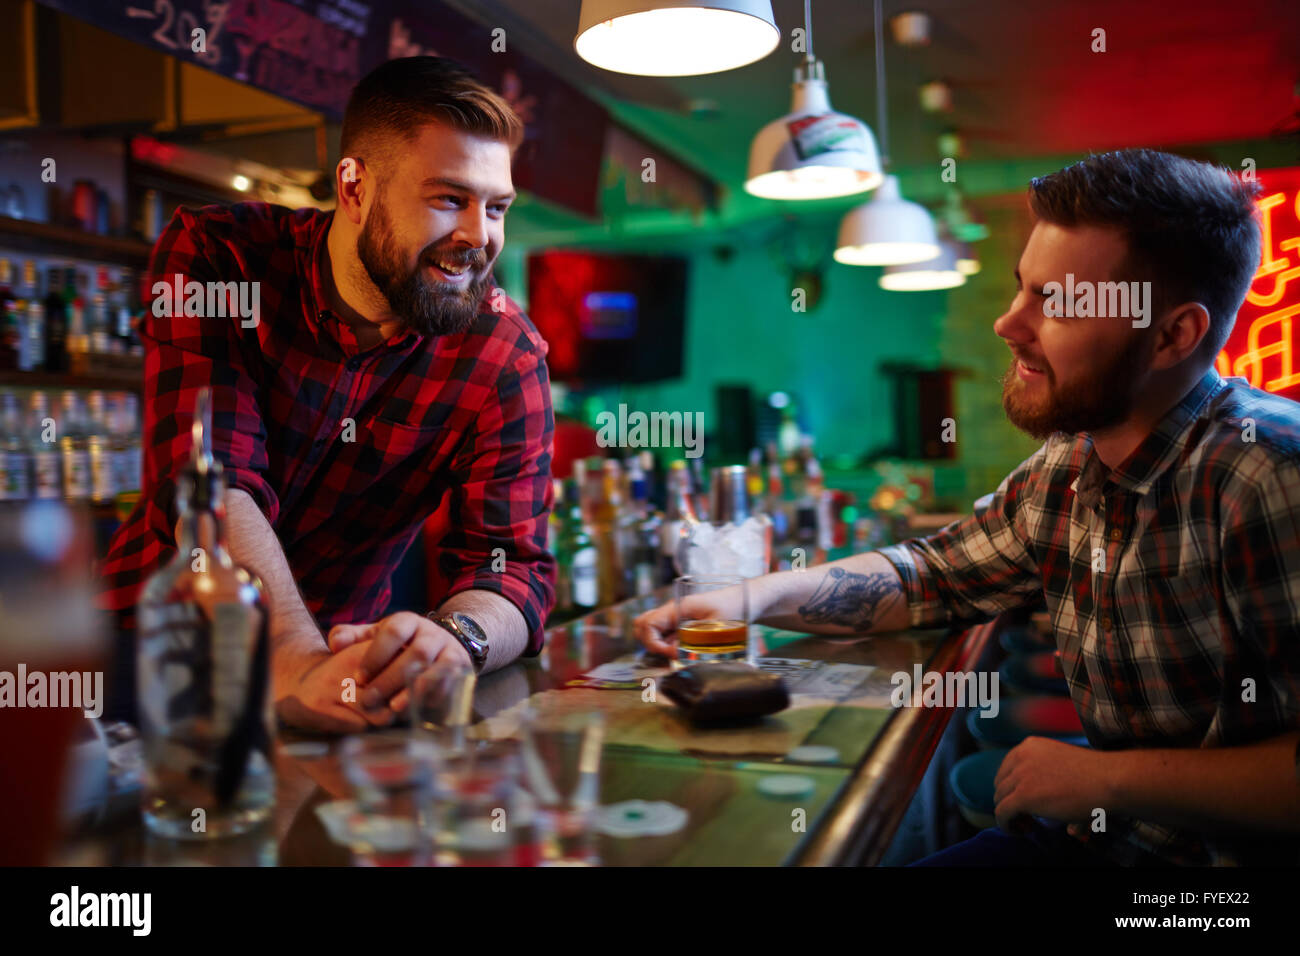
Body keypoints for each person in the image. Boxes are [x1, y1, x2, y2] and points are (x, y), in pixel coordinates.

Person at [636, 149, 1300, 866]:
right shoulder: (1069, 467)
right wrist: (743, 597)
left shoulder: (1266, 476)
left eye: (1058, 302)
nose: (1009, 324)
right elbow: (927, 576)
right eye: (1023, 290)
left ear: (1174, 334)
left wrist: (1107, 779)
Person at [101, 56, 556, 733]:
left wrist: (458, 643)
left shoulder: (504, 355)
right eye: (448, 199)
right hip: (148, 664)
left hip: (345, 679)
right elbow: (211, 483)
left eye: (496, 208)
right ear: (353, 188)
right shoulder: (222, 258)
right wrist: (295, 660)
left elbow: (513, 567)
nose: (478, 236)